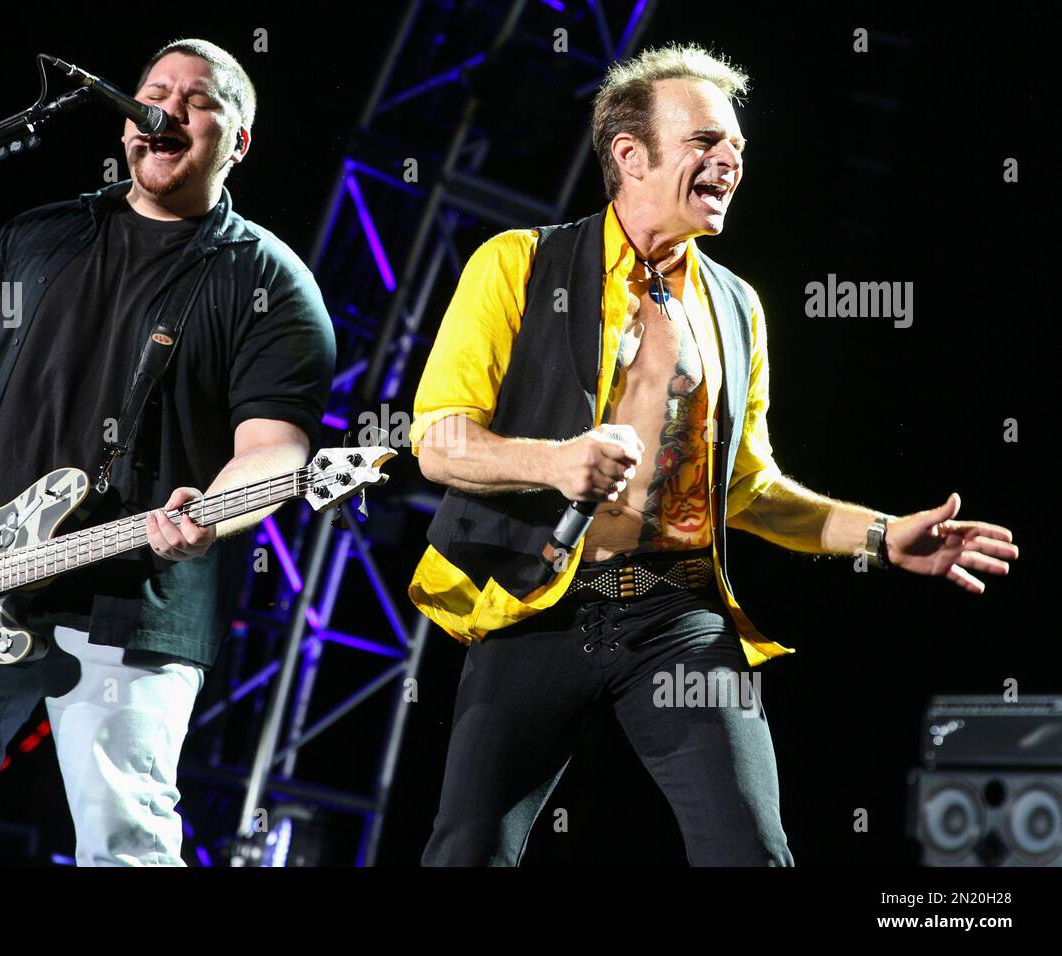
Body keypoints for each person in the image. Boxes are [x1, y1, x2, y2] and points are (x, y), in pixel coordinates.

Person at [408, 42, 1018, 866]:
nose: (731, 159)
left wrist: (881, 535)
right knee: (468, 851)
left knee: (752, 851)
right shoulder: (518, 263)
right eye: (704, 140)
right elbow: (438, 440)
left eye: (737, 144)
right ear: (631, 154)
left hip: (674, 614)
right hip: (535, 606)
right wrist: (554, 464)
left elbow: (750, 489)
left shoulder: (735, 306)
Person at [0, 38, 336, 866]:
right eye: (153, 94)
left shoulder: (271, 283)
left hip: (136, 601)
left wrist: (210, 516)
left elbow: (277, 450)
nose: (164, 113)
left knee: (122, 842)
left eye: (197, 102)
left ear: (238, 142)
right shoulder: (35, 237)